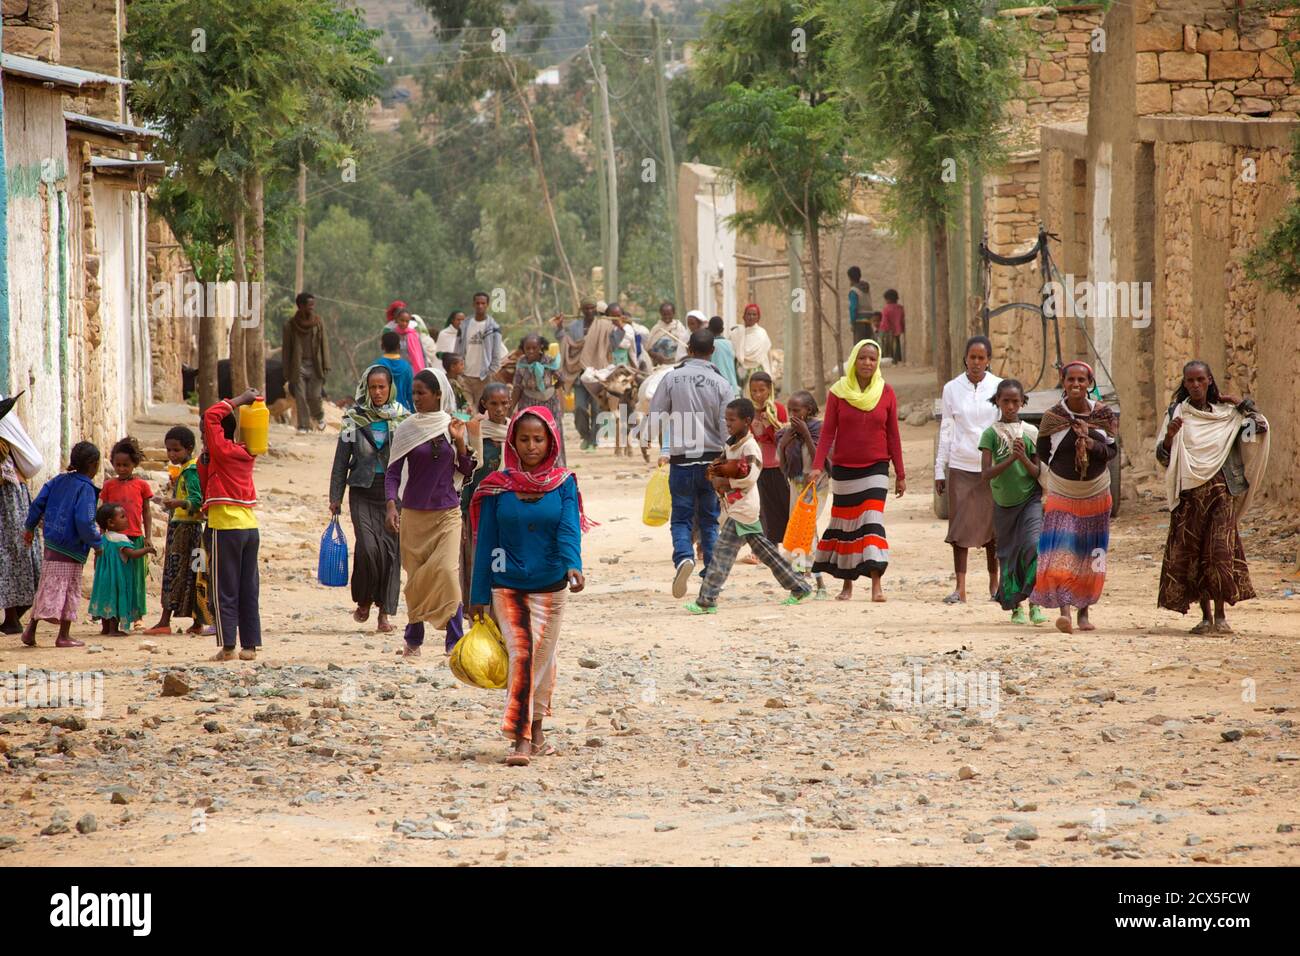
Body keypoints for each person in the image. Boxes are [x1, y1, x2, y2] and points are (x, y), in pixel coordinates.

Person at [469, 406, 591, 766]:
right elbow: (487, 539)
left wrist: (574, 565)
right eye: (524, 439)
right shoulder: (496, 486)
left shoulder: (564, 483)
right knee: (522, 654)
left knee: (543, 658)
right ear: (513, 442)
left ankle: (537, 732)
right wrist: (478, 594)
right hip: (507, 584)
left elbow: (569, 528)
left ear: (550, 440)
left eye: (538, 439)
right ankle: (520, 738)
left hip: (551, 585)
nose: (531, 446)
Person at [1155, 360, 1270, 634]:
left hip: (1221, 493)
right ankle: (1205, 617)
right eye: (1190, 381)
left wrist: (1242, 404)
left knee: (1219, 553)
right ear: (1184, 384)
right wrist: (1170, 437)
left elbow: (1258, 429)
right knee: (1195, 556)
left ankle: (1221, 616)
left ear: (1209, 381)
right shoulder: (1177, 414)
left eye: (1200, 380)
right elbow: (1162, 457)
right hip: (1190, 496)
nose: (1195, 385)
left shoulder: (1227, 416)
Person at [685, 398, 813, 614]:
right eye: (726, 420)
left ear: (746, 421)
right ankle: (799, 587)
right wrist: (715, 473)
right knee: (767, 553)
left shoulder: (750, 446)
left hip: (743, 508)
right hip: (738, 507)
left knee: (722, 554)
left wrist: (725, 481)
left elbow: (749, 475)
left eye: (732, 420)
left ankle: (706, 600)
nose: (728, 423)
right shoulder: (732, 443)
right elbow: (722, 464)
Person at [386, 368, 475, 657]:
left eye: (421, 393)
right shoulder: (406, 429)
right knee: (416, 577)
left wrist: (460, 441)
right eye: (413, 393)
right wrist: (390, 505)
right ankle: (414, 637)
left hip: (447, 512)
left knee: (447, 573)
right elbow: (393, 473)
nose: (415, 399)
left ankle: (455, 640)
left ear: (439, 395)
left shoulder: (454, 426)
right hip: (414, 514)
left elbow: (467, 470)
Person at [808, 340, 905, 602]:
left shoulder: (886, 393)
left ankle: (876, 585)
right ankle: (847, 586)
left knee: (872, 522)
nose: (867, 363)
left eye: (872, 359)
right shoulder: (838, 392)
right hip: (844, 470)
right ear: (854, 360)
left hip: (876, 468)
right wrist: (817, 466)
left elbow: (893, 435)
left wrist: (901, 473)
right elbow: (828, 433)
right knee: (847, 527)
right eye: (862, 358)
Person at [1028, 361, 1117, 634]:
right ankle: (1065, 611)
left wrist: (1091, 444)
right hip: (1063, 493)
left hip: (1096, 494)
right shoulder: (1052, 417)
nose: (1076, 385)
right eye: (1071, 380)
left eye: (1082, 380)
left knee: (1090, 553)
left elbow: (1112, 451)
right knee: (1060, 551)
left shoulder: (1103, 415)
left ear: (1090, 383)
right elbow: (1043, 451)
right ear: (1063, 382)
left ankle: (1084, 613)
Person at [651, 329, 732, 598]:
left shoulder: (672, 378)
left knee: (682, 517)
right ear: (711, 351)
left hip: (681, 461)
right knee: (710, 520)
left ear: (688, 348)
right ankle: (710, 570)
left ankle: (684, 557)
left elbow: (656, 415)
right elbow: (726, 426)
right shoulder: (721, 384)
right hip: (711, 461)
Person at [331, 365, 409, 635]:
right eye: (373, 387)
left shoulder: (403, 420)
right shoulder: (353, 420)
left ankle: (384, 613)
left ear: (390, 388)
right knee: (367, 548)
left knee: (390, 552)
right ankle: (363, 600)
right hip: (362, 491)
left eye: (382, 387)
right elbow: (341, 461)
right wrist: (335, 497)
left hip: (392, 495)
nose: (377, 392)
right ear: (366, 388)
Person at [935, 335, 1002, 604]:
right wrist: (940, 469)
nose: (976, 363)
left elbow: (1003, 426)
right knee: (959, 528)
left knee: (993, 528)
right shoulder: (951, 388)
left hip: (992, 467)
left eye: (981, 358)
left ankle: (994, 584)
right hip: (961, 465)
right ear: (965, 358)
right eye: (972, 357)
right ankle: (960, 588)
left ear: (988, 360)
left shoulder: (998, 387)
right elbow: (947, 429)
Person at [201, 388, 265, 661]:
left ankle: (228, 645)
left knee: (224, 588)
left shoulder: (222, 450)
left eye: (205, 433)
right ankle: (249, 646)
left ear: (214, 434)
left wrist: (240, 400)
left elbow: (210, 415)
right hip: (250, 527)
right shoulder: (246, 451)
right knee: (248, 588)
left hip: (226, 527)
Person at [20, 442, 103, 648]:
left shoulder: (58, 480)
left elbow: (38, 503)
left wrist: (29, 527)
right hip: (72, 547)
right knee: (69, 589)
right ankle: (63, 635)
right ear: (93, 465)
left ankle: (31, 630)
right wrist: (97, 543)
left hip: (52, 542)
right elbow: (85, 520)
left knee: (47, 584)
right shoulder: (86, 489)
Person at [978, 380, 1048, 626]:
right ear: (997, 401)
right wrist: (1010, 459)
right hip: (1003, 504)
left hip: (1030, 500)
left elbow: (1037, 471)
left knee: (1032, 546)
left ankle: (1035, 602)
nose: (1010, 406)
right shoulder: (991, 434)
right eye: (1005, 401)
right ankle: (1015, 606)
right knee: (1007, 554)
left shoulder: (1030, 433)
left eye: (1015, 401)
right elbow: (986, 473)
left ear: (1022, 403)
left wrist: (1022, 457)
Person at [145, 426, 213, 636]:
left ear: (189, 448)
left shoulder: (191, 471)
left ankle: (165, 621)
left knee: (174, 573)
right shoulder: (185, 470)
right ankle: (196, 622)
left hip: (186, 529)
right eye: (169, 450)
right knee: (194, 573)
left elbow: (196, 500)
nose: (172, 454)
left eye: (176, 450)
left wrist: (177, 502)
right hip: (188, 528)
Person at [777, 390, 829, 597]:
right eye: (789, 410)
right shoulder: (787, 432)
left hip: (817, 486)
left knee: (807, 527)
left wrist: (806, 434)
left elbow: (821, 458)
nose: (792, 414)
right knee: (800, 529)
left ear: (808, 410)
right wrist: (785, 442)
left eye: (796, 410)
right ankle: (808, 579)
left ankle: (813, 580)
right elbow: (782, 464)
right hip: (796, 486)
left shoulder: (820, 429)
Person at [99, 437, 154, 626]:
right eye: (118, 465)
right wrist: (101, 536)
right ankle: (114, 614)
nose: (121, 469)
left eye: (126, 465)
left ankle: (136, 615)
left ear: (134, 464)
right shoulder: (108, 486)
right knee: (116, 578)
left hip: (135, 537)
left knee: (135, 578)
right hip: (114, 540)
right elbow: (104, 511)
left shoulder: (141, 486)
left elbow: (146, 511)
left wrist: (148, 536)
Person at [0, 397, 43, 634]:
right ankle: (14, 614)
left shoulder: (2, 441)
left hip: (8, 499)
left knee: (12, 552)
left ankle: (14, 615)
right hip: (12, 498)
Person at [88, 503, 156, 635]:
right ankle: (113, 629)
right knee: (116, 600)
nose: (127, 519)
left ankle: (105, 628)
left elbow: (98, 556)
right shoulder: (120, 539)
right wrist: (147, 549)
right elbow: (132, 554)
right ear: (111, 523)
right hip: (117, 578)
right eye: (123, 516)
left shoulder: (103, 538)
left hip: (103, 577)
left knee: (106, 599)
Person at [748, 371, 790, 547]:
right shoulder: (749, 411)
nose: (758, 395)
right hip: (759, 467)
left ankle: (792, 544)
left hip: (779, 466)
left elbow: (782, 439)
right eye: (754, 391)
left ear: (770, 389)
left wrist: (768, 426)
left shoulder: (777, 409)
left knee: (785, 505)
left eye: (762, 390)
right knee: (764, 508)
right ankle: (769, 547)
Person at [511, 334, 565, 466]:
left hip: (549, 403)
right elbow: (517, 387)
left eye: (534, 348)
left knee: (553, 432)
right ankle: (531, 467)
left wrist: (552, 389)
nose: (530, 351)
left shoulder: (549, 361)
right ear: (523, 348)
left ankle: (556, 466)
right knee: (530, 434)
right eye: (527, 348)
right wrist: (510, 409)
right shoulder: (522, 364)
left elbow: (561, 379)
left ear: (540, 347)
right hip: (529, 402)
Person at [555, 298, 601, 450]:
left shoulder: (603, 326)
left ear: (596, 309)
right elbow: (564, 340)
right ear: (582, 310)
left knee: (597, 409)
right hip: (580, 376)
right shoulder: (574, 327)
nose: (589, 311)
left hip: (598, 376)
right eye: (586, 309)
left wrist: (620, 326)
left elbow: (612, 343)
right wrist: (560, 326)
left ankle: (594, 440)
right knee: (579, 408)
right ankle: (585, 436)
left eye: (592, 308)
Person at [283, 292, 331, 433]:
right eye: (309, 305)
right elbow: (287, 350)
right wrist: (286, 372)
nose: (312, 308)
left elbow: (324, 343)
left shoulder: (318, 322)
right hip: (298, 366)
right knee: (301, 397)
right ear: (301, 306)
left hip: (316, 366)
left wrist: (326, 365)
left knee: (314, 396)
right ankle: (304, 426)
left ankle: (319, 416)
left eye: (313, 305)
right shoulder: (290, 325)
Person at [456, 292, 507, 410]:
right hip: (465, 376)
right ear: (473, 304)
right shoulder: (465, 325)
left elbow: (496, 353)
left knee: (481, 411)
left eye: (483, 303)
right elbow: (458, 349)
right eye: (477, 303)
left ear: (487, 305)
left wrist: (491, 372)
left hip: (483, 378)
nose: (480, 306)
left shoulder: (494, 327)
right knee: (466, 410)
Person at [728, 304, 773, 389]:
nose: (751, 317)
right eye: (748, 314)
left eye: (754, 314)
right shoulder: (736, 333)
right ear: (744, 316)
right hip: (739, 372)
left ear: (758, 317)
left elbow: (767, 357)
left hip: (757, 372)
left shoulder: (762, 333)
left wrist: (769, 373)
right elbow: (730, 353)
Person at [384, 300, 435, 373]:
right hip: (396, 369)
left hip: (413, 369)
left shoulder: (414, 335)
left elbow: (422, 354)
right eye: (402, 320)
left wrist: (425, 368)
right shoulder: (393, 335)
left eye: (407, 321)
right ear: (396, 320)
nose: (404, 323)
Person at [376, 330, 414, 412]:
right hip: (402, 412)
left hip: (381, 412)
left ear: (382, 346)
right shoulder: (406, 367)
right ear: (399, 346)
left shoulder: (376, 366)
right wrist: (413, 413)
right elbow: (410, 393)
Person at [707, 315, 739, 395]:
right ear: (722, 329)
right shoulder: (731, 344)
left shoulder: (708, 345)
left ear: (709, 329)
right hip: (732, 387)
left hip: (715, 387)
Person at [847, 266, 873, 343]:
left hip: (859, 321)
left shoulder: (854, 291)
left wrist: (852, 322)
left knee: (859, 346)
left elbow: (853, 308)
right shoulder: (866, 288)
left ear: (850, 278)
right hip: (868, 320)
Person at [878, 289, 905, 363]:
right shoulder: (900, 308)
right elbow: (902, 319)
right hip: (897, 330)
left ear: (888, 299)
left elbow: (885, 321)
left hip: (888, 331)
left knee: (888, 346)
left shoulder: (886, 308)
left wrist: (882, 330)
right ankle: (898, 359)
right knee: (897, 344)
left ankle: (890, 359)